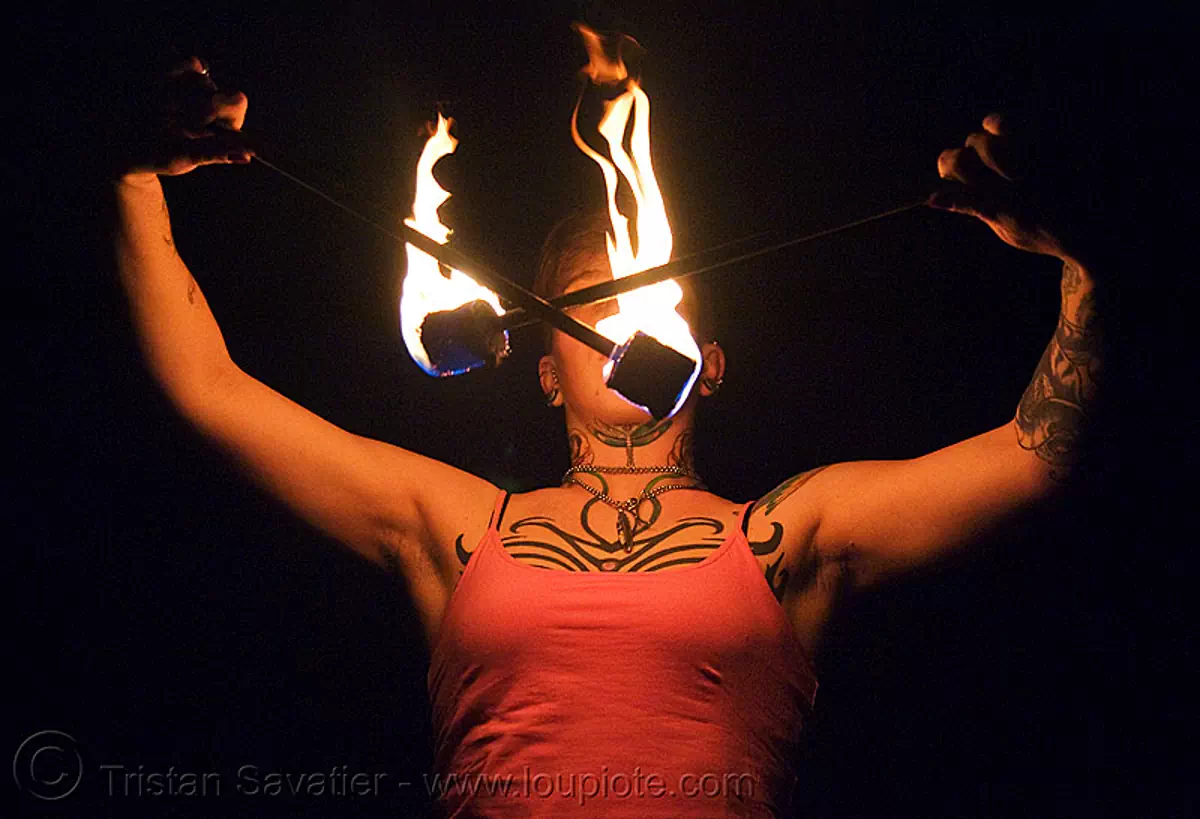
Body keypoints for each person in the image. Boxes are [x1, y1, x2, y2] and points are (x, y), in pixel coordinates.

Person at [110, 57, 1104, 818]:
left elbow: (1038, 454)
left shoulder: (791, 534)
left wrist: (1084, 261)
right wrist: (132, 176)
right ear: (548, 374)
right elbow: (209, 388)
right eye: (592, 307)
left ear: (707, 363)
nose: (623, 325)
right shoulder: (457, 527)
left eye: (650, 303)